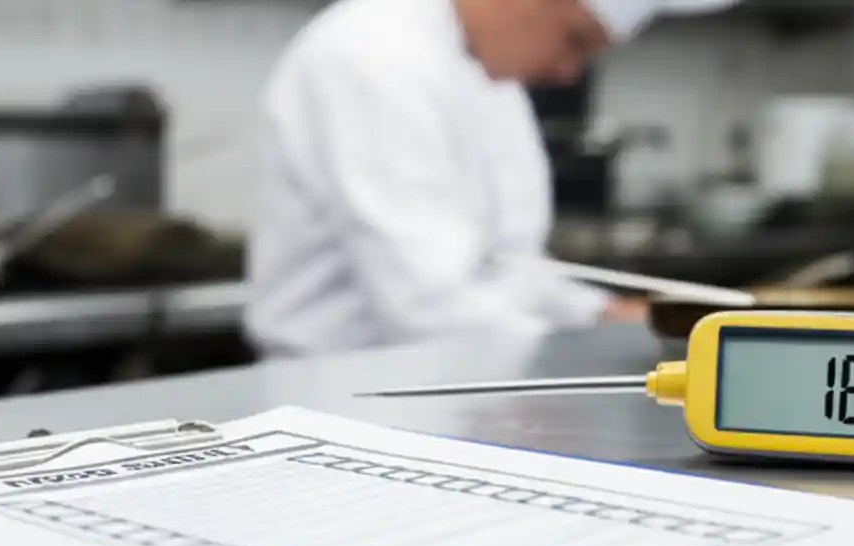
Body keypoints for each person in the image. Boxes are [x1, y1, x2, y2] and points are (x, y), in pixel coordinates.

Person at [244, 0, 739, 357]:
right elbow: (426, 307)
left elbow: (509, 268)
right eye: (575, 40)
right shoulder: (369, 56)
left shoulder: (485, 69)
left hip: (453, 380)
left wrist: (605, 315)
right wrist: (581, 348)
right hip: (340, 392)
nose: (569, 74)